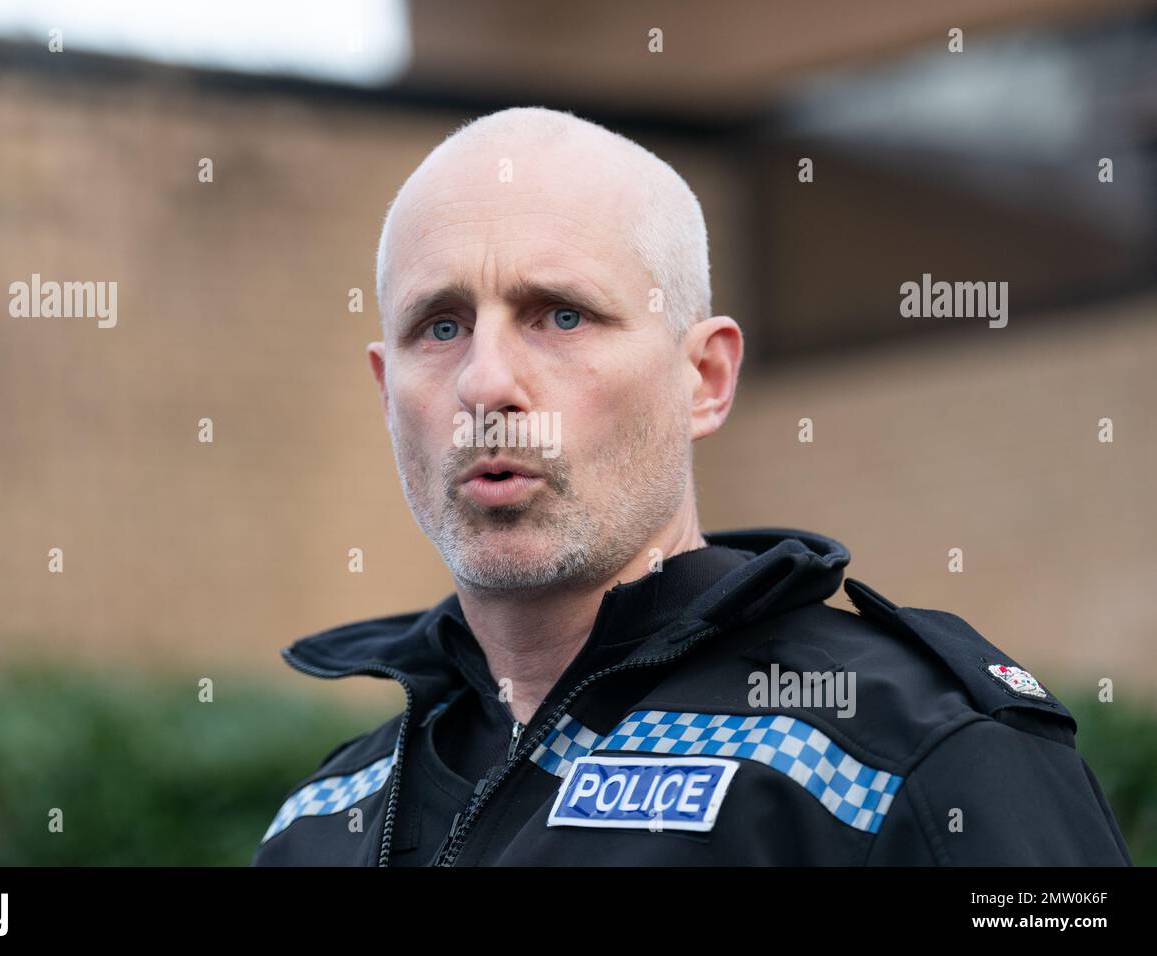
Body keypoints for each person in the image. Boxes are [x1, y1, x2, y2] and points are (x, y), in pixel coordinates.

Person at [253, 106, 1131, 866]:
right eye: (439, 326)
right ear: (386, 393)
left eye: (562, 315)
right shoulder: (323, 818)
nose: (486, 383)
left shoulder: (910, 760)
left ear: (704, 378)